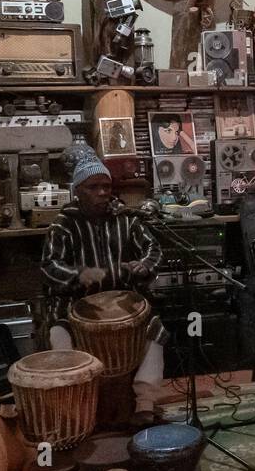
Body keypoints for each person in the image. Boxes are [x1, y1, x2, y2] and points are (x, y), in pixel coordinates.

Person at [42, 144, 167, 426]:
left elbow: (153, 249)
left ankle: (145, 404)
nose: (102, 192)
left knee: (155, 329)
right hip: (74, 304)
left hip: (123, 300)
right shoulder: (63, 225)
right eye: (93, 187)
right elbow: (49, 266)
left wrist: (144, 265)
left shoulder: (126, 219)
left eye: (106, 186)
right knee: (59, 338)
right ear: (77, 190)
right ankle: (74, 413)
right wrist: (78, 274)